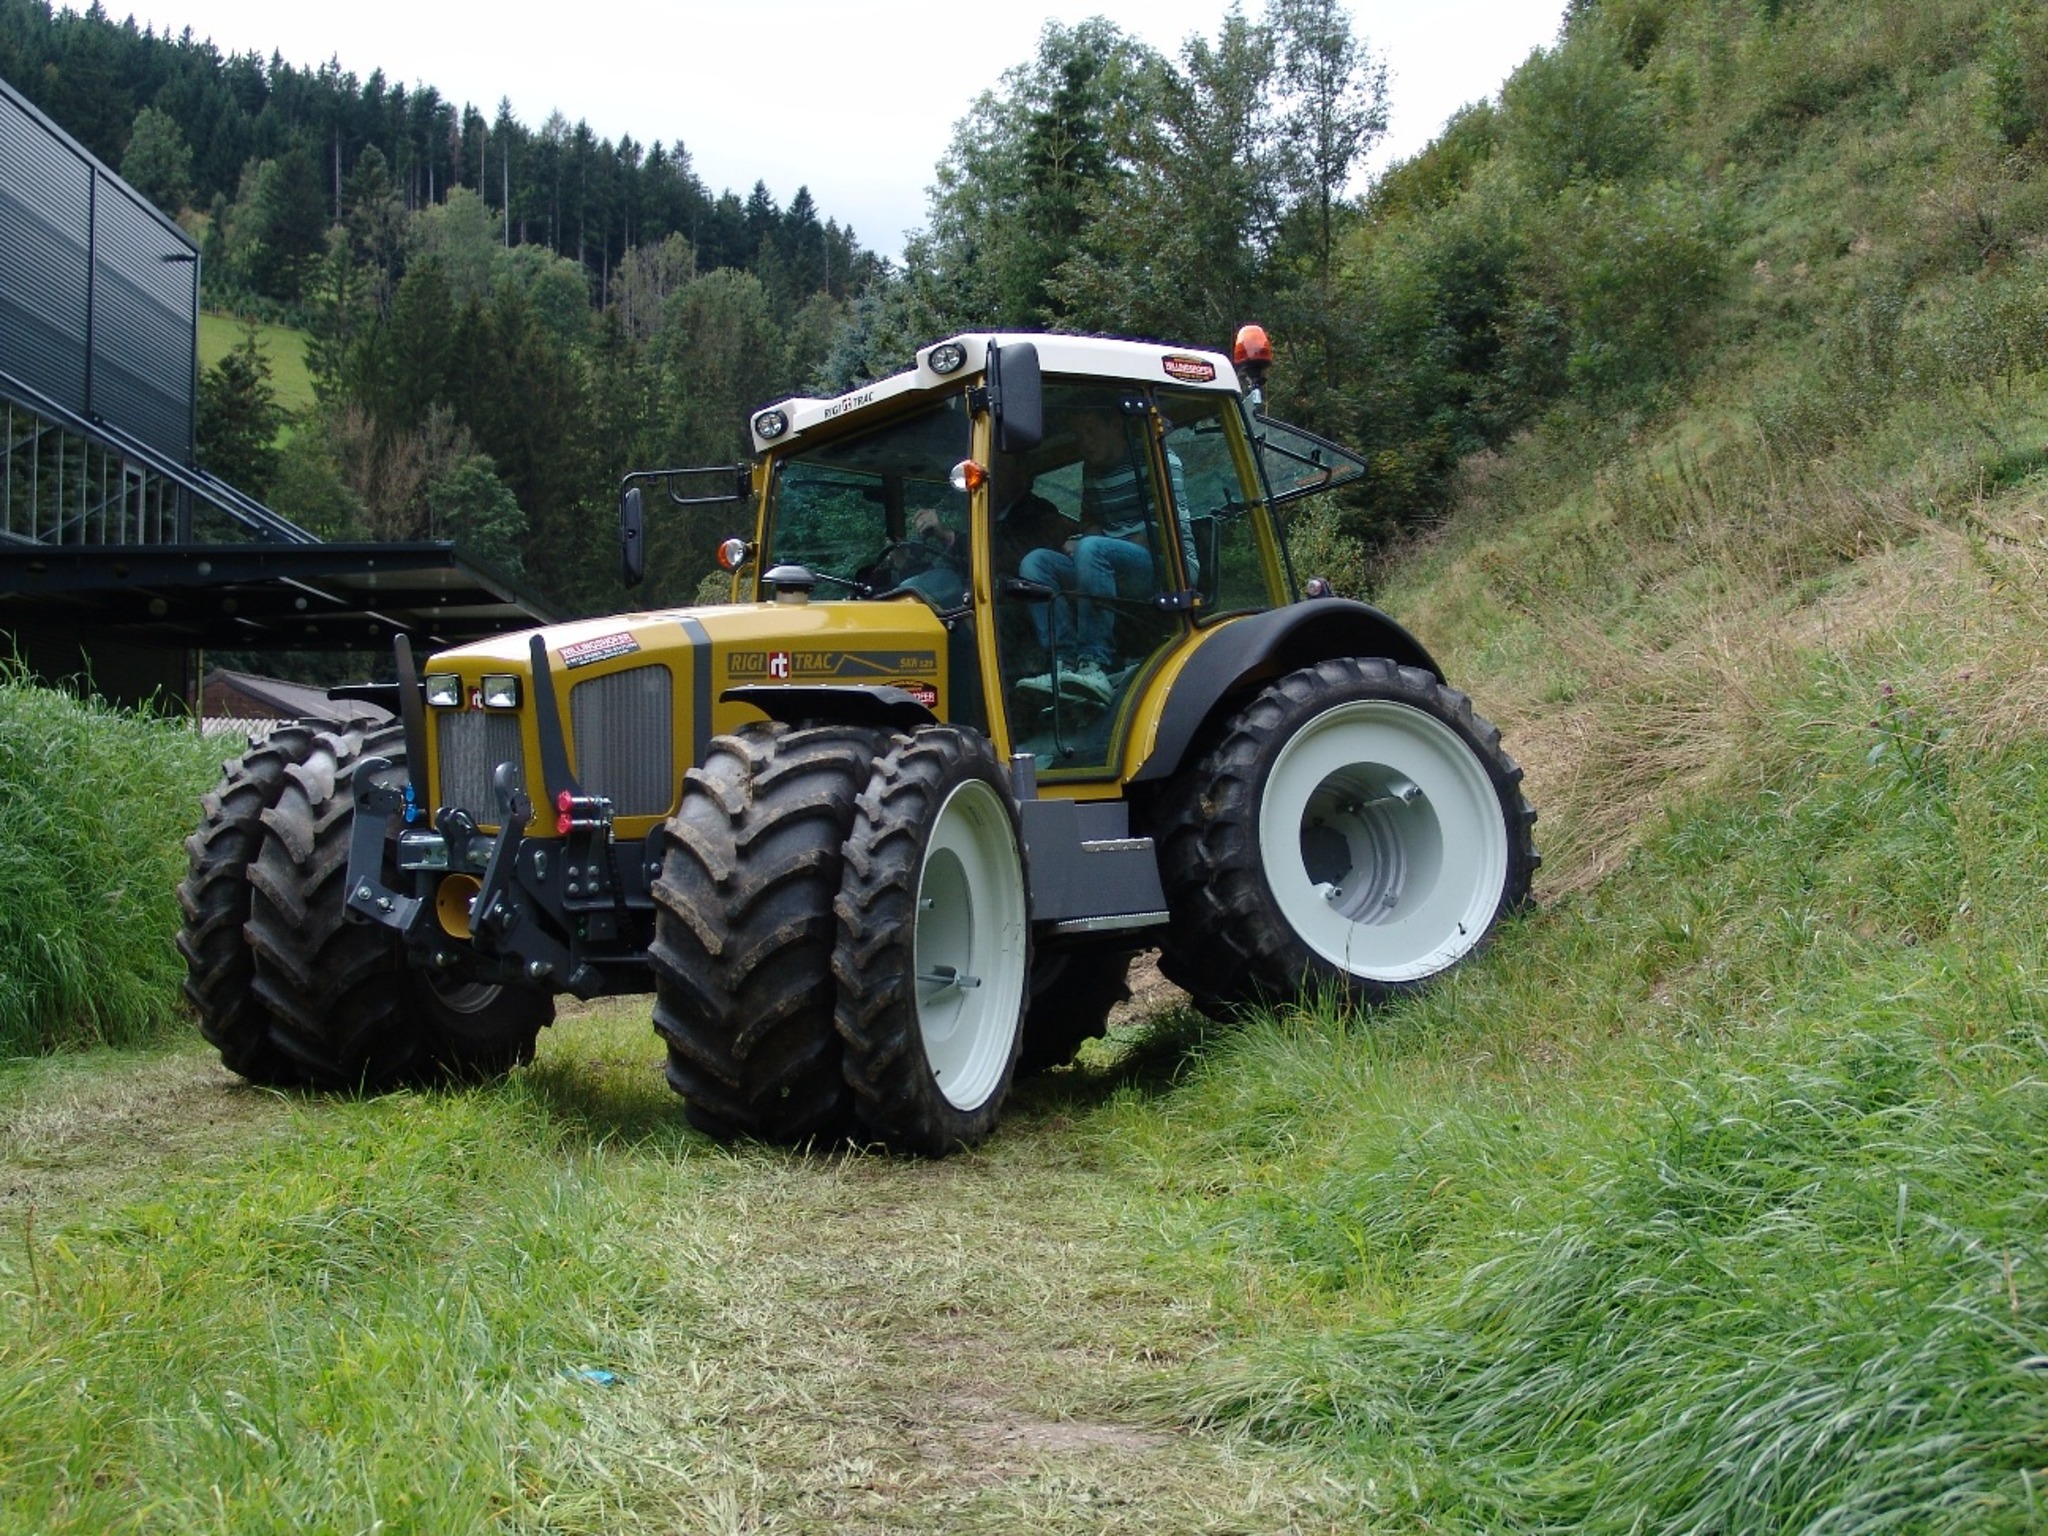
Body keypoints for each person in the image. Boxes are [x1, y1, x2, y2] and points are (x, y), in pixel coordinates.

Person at [1015, 409, 1196, 706]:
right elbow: (1091, 520)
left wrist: (1093, 544)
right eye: (1078, 436)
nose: (1085, 443)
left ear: (1115, 425)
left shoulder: (1159, 459)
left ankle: (1094, 662)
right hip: (1107, 560)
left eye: (1091, 431)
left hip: (1168, 567)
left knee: (1091, 548)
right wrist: (1086, 538)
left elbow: (1162, 530)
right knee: (1036, 562)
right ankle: (1063, 663)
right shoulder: (1093, 470)